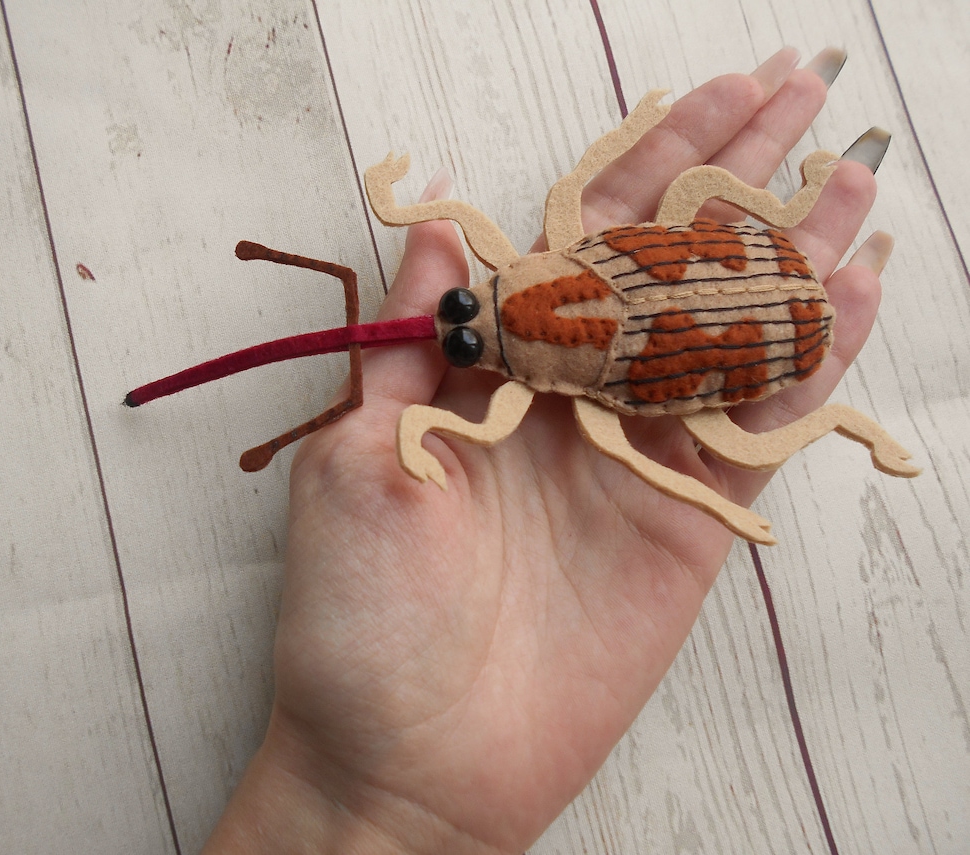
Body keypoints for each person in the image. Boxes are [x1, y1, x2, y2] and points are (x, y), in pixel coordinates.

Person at [203, 46, 888, 854]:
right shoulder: (569, 333)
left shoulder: (574, 320)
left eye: (458, 303)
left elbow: (590, 424)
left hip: (731, 316)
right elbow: (612, 446)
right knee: (694, 200)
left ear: (468, 287)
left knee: (693, 193)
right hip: (715, 319)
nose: (463, 309)